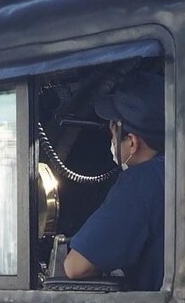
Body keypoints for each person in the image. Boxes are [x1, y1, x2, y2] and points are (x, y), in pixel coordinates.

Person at [63, 71, 165, 291]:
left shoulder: (141, 181)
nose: (111, 141)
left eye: (113, 134)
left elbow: (76, 267)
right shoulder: (178, 172)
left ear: (132, 142)